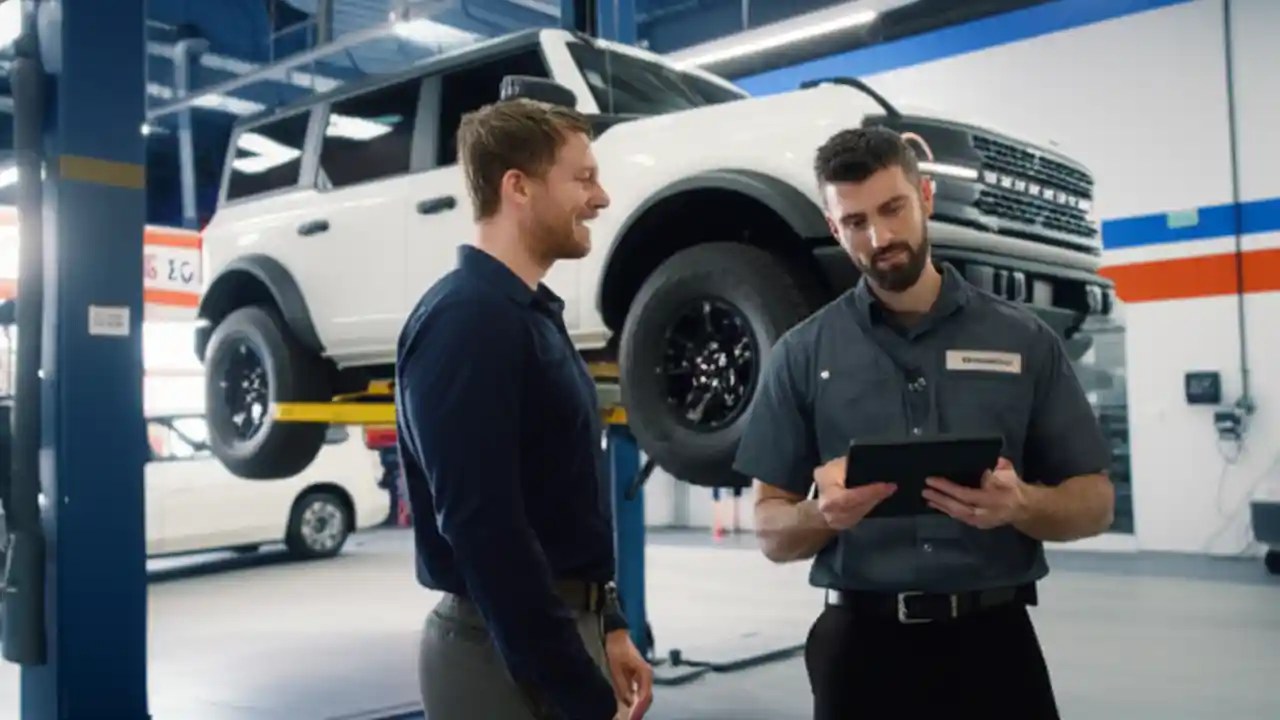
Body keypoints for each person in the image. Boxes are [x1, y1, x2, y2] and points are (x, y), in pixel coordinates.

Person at [732, 126, 1115, 720]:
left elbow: (1095, 503)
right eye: (856, 222)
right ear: (835, 229)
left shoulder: (1024, 341)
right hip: (861, 652)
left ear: (926, 196)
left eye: (893, 209)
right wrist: (820, 514)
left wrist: (1021, 506)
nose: (880, 237)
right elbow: (770, 531)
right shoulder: (802, 354)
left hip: (995, 646)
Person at [394, 98, 654, 720]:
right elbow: (486, 532)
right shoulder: (468, 322)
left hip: (555, 632)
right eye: (583, 178)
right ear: (519, 187)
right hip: (500, 654)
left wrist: (609, 623)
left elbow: (561, 500)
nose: (601, 198)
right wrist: (580, 693)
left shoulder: (526, 314)